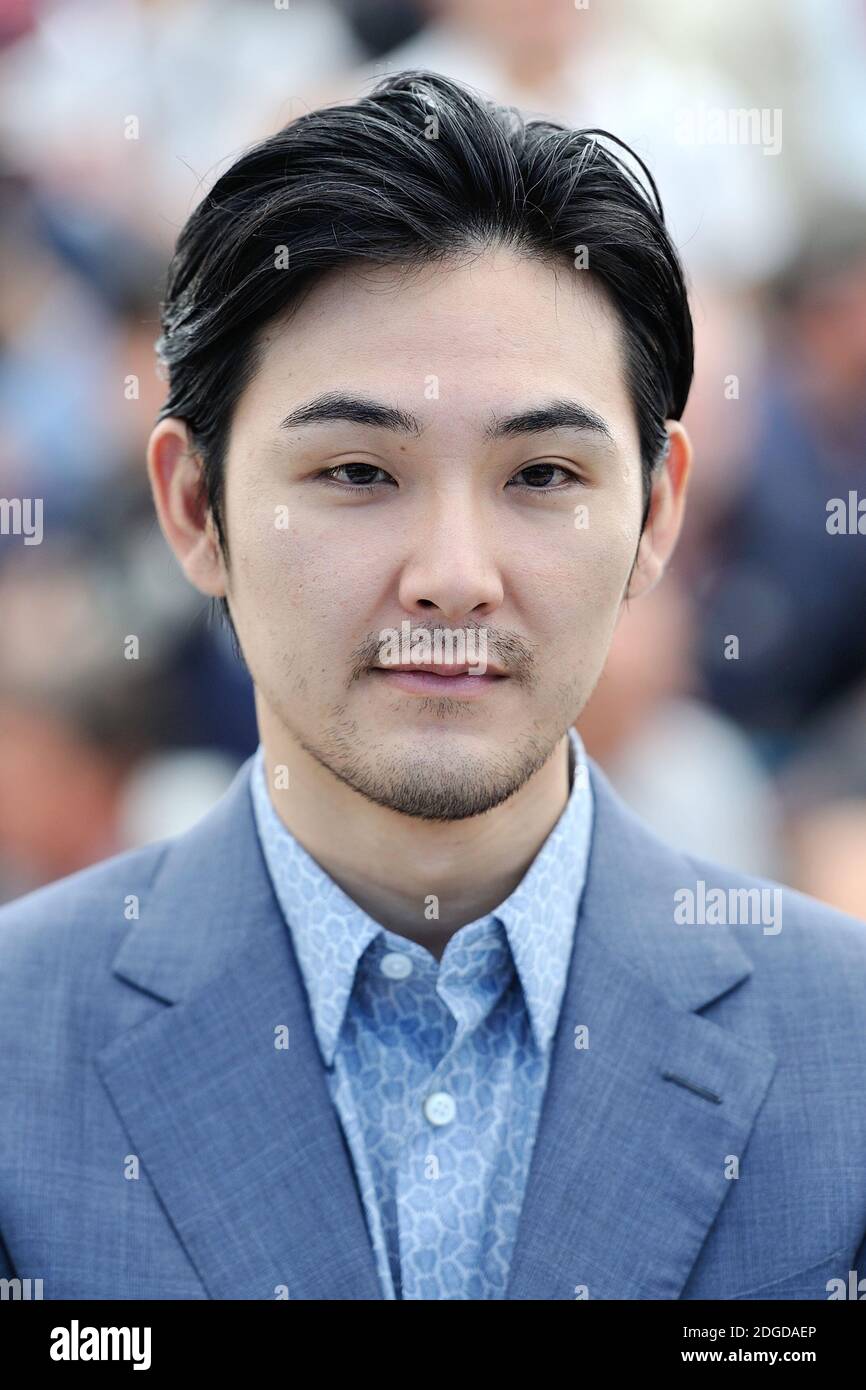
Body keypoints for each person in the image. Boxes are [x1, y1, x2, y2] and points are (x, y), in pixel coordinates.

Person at [1, 71, 864, 1302]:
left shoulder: (844, 1055)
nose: (453, 578)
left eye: (542, 475)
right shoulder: (17, 1051)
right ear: (195, 507)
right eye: (356, 470)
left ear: (656, 510)